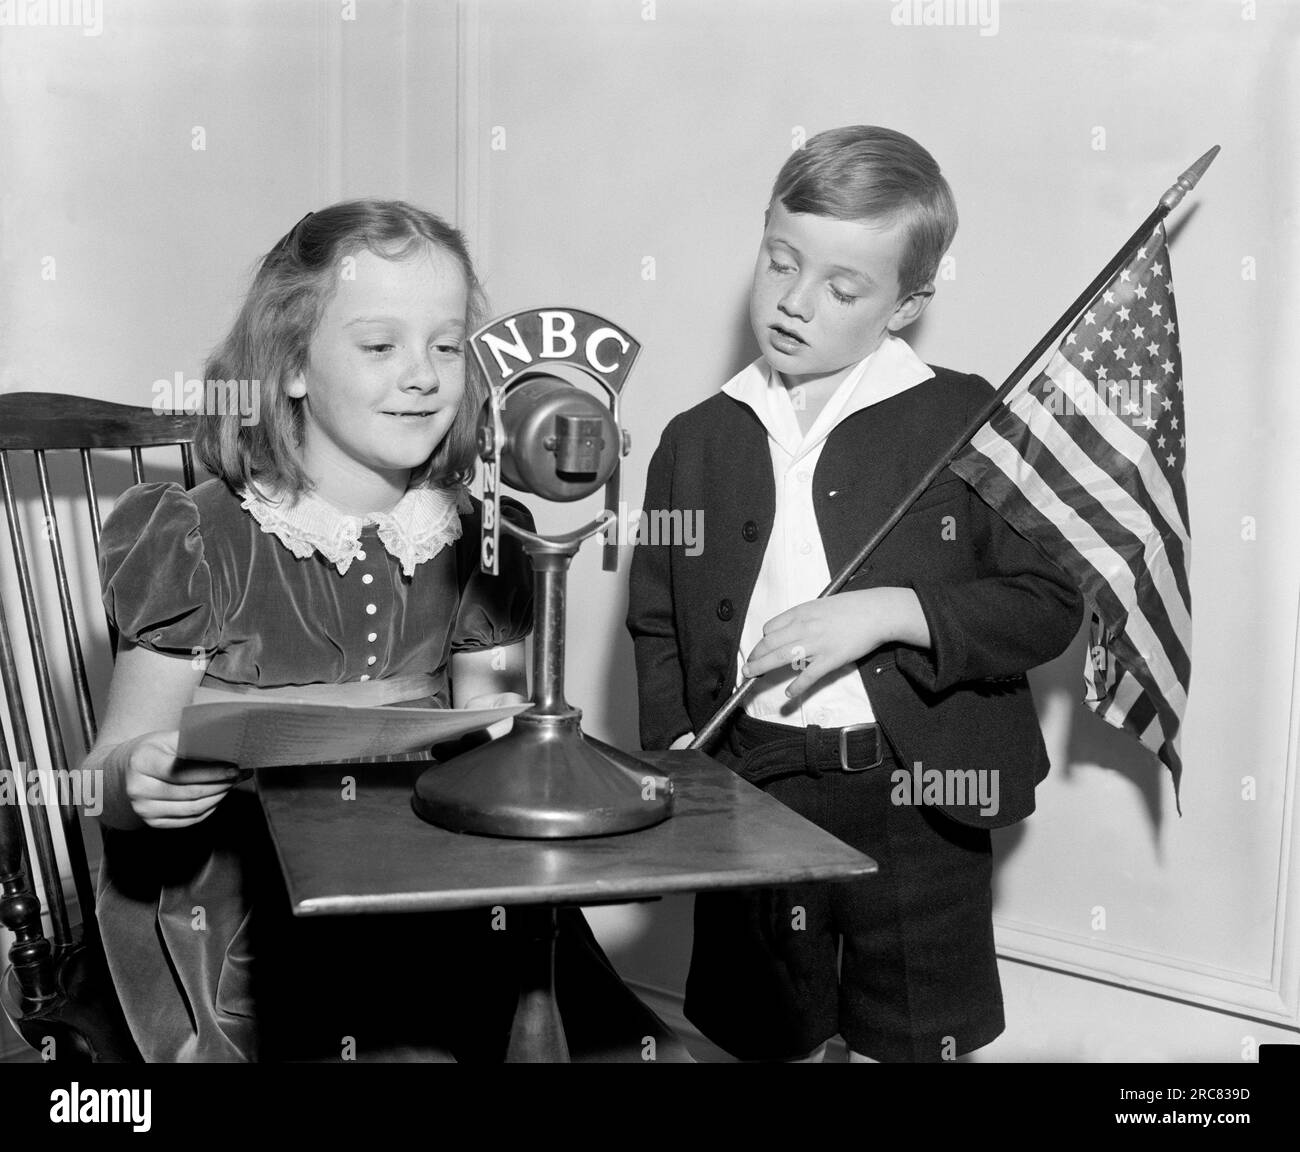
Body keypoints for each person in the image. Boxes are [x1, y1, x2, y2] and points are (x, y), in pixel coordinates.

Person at [626, 126, 1085, 1063]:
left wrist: (889, 613)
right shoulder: (696, 437)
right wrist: (676, 746)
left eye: (842, 288)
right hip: (749, 782)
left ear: (910, 304)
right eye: (780, 263)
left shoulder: (967, 420)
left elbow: (1049, 600)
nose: (794, 303)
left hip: (916, 792)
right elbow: (656, 618)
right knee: (766, 1027)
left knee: (915, 1033)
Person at [86, 200, 536, 1062]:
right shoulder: (200, 540)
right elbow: (109, 766)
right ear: (291, 365)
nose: (424, 376)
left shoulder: (481, 541)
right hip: (242, 899)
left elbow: (494, 739)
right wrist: (137, 782)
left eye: (447, 345)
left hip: (424, 867)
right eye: (379, 346)